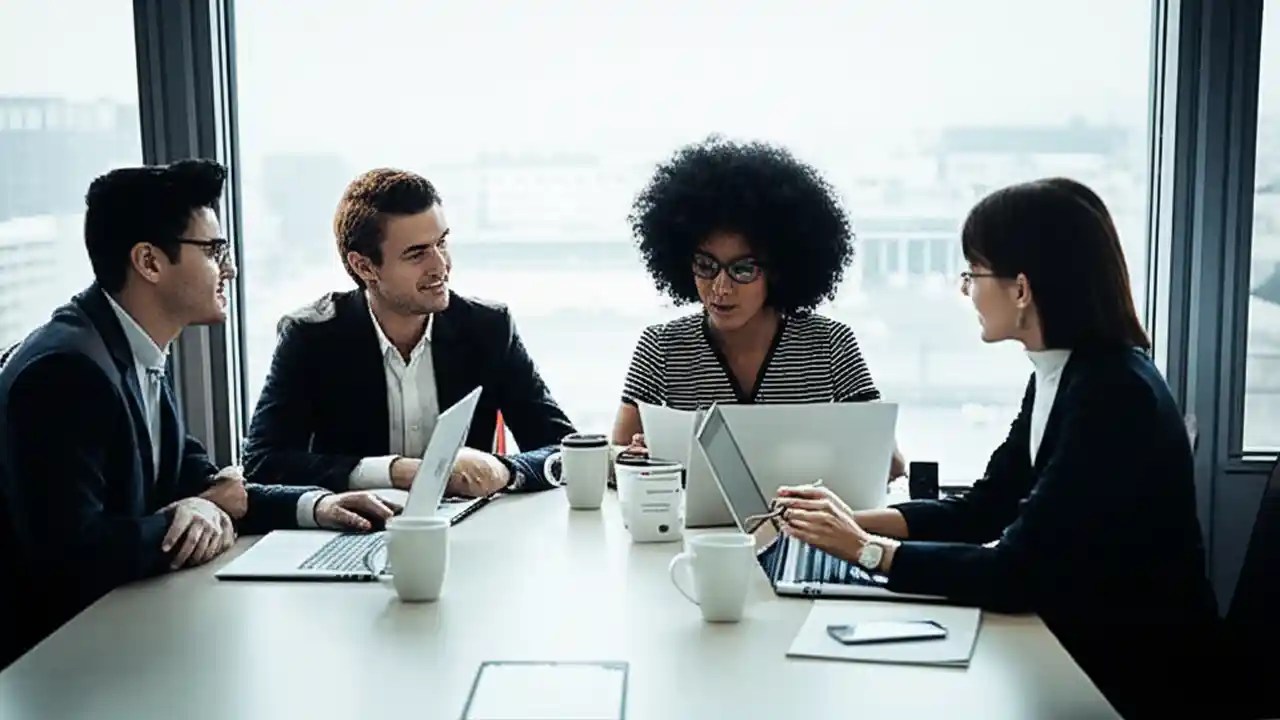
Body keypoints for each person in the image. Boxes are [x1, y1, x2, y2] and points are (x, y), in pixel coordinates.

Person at [773, 178, 1220, 718]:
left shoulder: (1112, 395)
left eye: (973, 273)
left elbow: (1016, 574)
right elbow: (984, 508)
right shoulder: (1066, 372)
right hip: (1076, 644)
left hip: (1127, 679)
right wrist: (848, 522)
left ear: (1022, 289)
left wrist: (866, 551)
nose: (966, 290)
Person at [0, 160, 394, 669]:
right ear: (149, 261)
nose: (228, 268)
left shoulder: (129, 348)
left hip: (119, 631)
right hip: (59, 662)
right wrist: (182, 517)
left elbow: (207, 485)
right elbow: (70, 555)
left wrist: (318, 507)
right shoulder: (66, 370)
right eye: (213, 250)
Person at [243, 168, 576, 497]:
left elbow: (566, 450)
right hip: (351, 531)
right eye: (417, 253)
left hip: (466, 532)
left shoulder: (488, 328)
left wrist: (504, 470)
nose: (440, 265)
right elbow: (262, 463)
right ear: (364, 267)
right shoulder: (311, 338)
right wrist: (392, 472)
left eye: (442, 243)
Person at [613, 136, 905, 479]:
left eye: (743, 269)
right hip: (693, 531)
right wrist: (636, 458)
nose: (720, 287)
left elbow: (892, 465)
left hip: (802, 527)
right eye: (706, 266)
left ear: (779, 270)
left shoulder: (830, 345)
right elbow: (616, 456)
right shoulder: (660, 346)